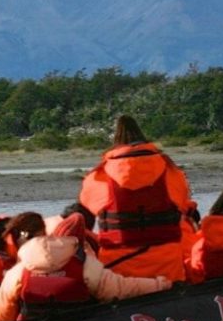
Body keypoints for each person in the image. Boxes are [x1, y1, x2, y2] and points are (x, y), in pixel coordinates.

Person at [0, 213, 169, 321]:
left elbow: (0, 317)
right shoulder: (84, 264)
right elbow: (122, 288)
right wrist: (162, 284)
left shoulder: (17, 273)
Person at [77, 114, 197, 282]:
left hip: (119, 273)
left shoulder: (98, 177)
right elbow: (183, 205)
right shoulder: (172, 172)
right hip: (168, 269)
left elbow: (86, 203)